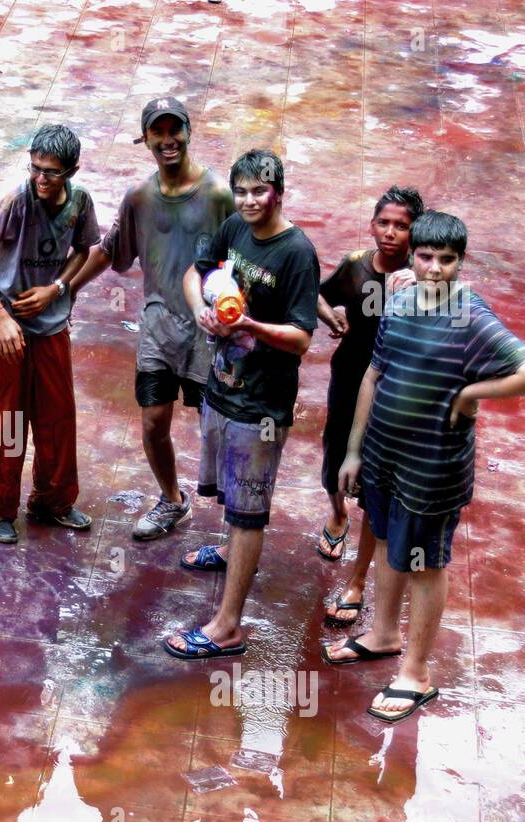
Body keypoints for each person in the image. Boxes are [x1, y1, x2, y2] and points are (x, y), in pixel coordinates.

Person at [330, 211, 525, 722]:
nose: (434, 269)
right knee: (386, 542)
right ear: (413, 256)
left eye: (446, 260)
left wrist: (472, 392)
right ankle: (383, 633)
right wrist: (354, 450)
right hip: (384, 452)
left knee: (426, 562)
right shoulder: (400, 300)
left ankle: (417, 673)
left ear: (460, 262)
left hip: (433, 467)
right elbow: (373, 375)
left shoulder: (470, 316)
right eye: (426, 257)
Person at [164, 149, 320, 660]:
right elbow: (196, 273)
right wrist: (203, 310)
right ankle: (231, 552)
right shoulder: (234, 227)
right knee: (231, 496)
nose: (251, 200)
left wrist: (249, 326)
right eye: (243, 190)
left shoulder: (297, 252)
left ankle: (227, 626)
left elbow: (300, 339)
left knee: (250, 510)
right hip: (223, 387)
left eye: (261, 190)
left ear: (280, 192)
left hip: (262, 407)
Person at [70, 97, 233, 541]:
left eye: (173, 130)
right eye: (157, 133)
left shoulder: (219, 194)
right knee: (152, 422)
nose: (168, 141)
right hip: (159, 327)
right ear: (146, 140)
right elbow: (109, 250)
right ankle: (171, 500)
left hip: (209, 332)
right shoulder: (139, 198)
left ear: (188, 132)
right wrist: (66, 289)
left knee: (217, 427)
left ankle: (238, 522)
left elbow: (249, 251)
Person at [0, 124, 101, 545]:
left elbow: (85, 248)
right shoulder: (14, 201)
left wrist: (57, 288)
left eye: (52, 172)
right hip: (6, 325)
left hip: (51, 322)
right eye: (37, 168)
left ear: (72, 171)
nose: (41, 178)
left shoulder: (80, 202)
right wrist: (0, 315)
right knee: (3, 420)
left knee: (57, 418)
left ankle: (52, 502)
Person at [317, 187, 424, 629]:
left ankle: (358, 581)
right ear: (372, 224)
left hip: (391, 394)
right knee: (334, 463)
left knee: (374, 490)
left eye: (401, 226)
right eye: (384, 223)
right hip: (347, 381)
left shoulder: (424, 279)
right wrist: (333, 318)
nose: (391, 233)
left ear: (415, 232)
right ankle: (337, 513)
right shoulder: (356, 266)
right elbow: (315, 292)